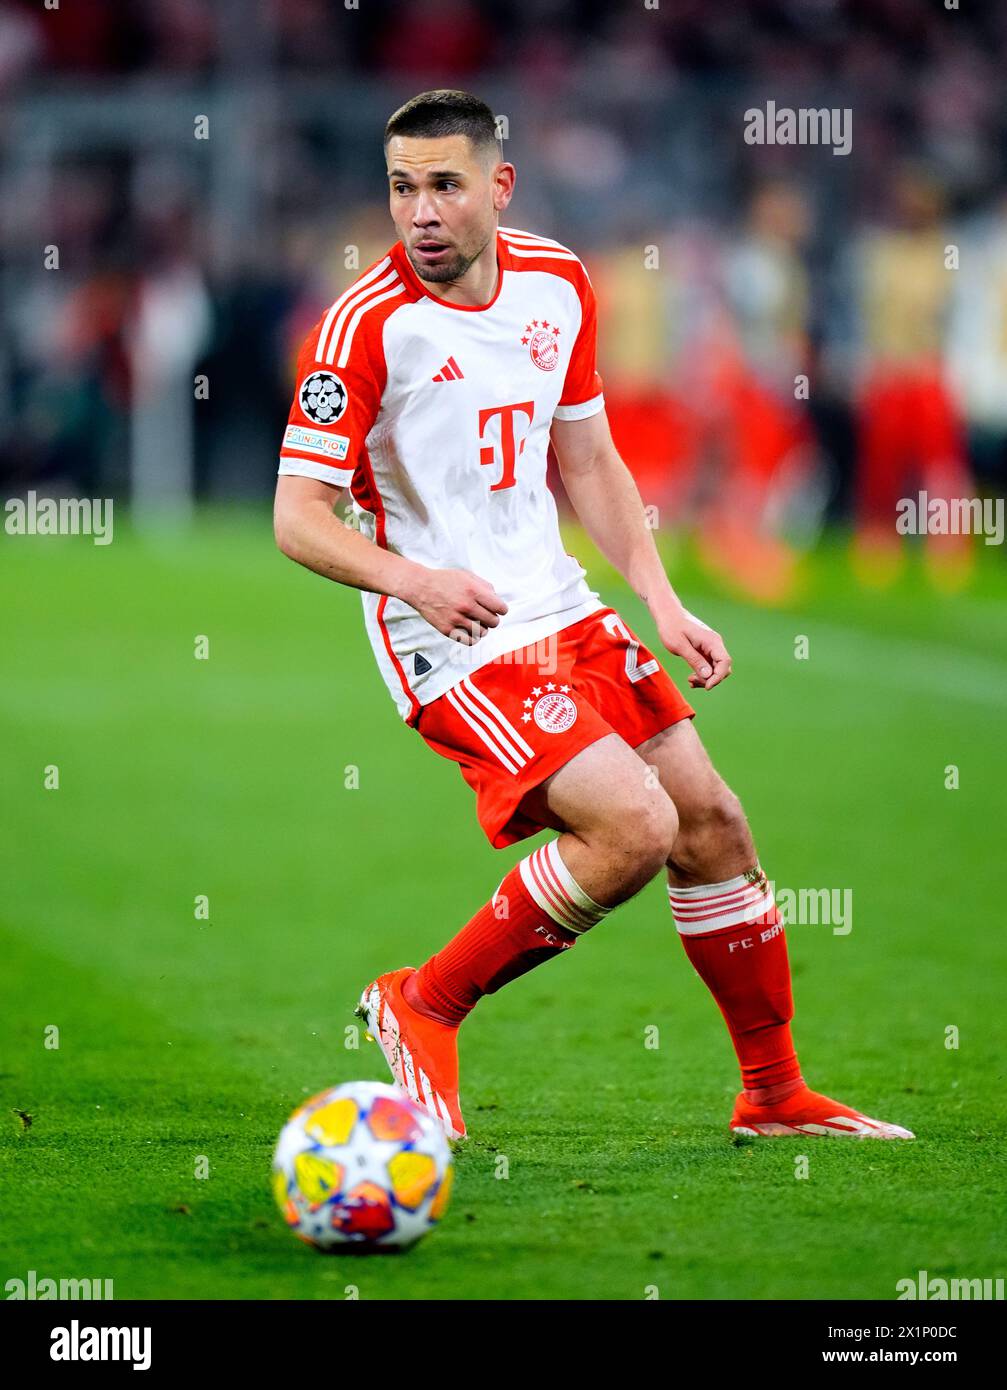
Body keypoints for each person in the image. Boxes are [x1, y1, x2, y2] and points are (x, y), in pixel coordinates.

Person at [273, 89, 913, 1143]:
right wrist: (412, 579)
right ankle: (422, 1002)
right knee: (634, 824)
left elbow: (587, 453)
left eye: (443, 184)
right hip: (452, 640)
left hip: (559, 604)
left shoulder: (557, 281)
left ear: (497, 185)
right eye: (400, 188)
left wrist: (659, 596)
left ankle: (771, 1096)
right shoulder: (360, 330)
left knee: (712, 825)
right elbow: (297, 521)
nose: (419, 211)